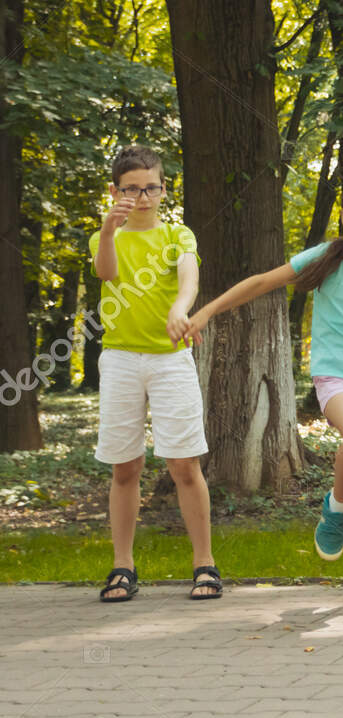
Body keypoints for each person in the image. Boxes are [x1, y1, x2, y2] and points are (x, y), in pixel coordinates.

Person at [187, 173, 343, 602]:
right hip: (334, 374)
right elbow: (262, 281)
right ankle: (337, 505)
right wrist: (207, 312)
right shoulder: (326, 257)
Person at [89, 145, 219, 602]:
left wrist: (181, 310)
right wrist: (109, 230)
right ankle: (122, 567)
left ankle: (204, 564)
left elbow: (189, 278)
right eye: (132, 189)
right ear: (115, 192)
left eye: (151, 188)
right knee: (126, 467)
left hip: (170, 359)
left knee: (184, 464)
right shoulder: (105, 236)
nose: (143, 198)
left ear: (163, 189)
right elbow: (107, 274)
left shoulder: (178, 234)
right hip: (121, 359)